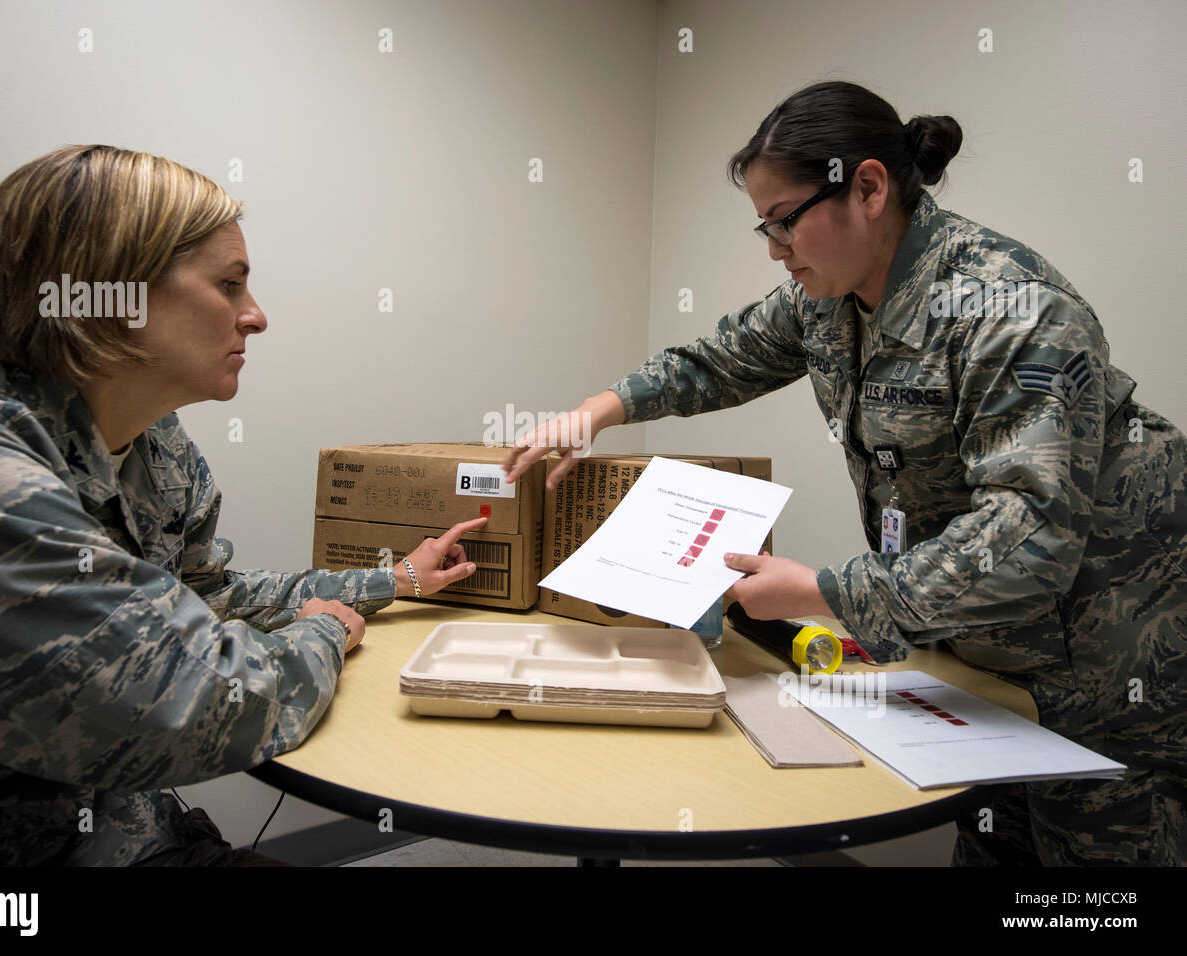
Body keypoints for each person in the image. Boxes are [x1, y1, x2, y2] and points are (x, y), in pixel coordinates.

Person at [502, 81, 1186, 866]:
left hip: (1111, 658)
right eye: (764, 227)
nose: (774, 249)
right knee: (995, 847)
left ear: (867, 186)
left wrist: (823, 593)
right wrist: (598, 410)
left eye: (785, 221)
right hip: (985, 656)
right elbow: (721, 359)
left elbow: (1028, 540)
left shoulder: (1009, 306)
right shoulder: (828, 299)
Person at [0, 144, 485, 865]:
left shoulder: (152, 446)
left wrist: (392, 580)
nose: (255, 317)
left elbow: (206, 596)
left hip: (122, 836)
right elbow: (190, 703)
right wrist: (323, 634)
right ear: (108, 296)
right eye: (229, 286)